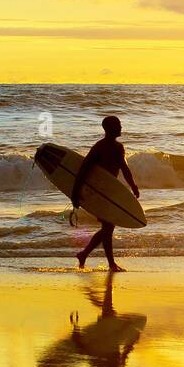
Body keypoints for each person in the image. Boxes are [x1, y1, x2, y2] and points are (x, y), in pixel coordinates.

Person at [72, 115, 139, 272]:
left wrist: (133, 186)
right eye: (118, 125)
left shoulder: (118, 147)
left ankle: (84, 254)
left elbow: (124, 168)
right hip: (97, 193)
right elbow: (83, 170)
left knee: (108, 228)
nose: (121, 128)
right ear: (110, 128)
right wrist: (75, 193)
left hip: (109, 193)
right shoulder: (99, 147)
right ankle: (111, 264)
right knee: (108, 227)